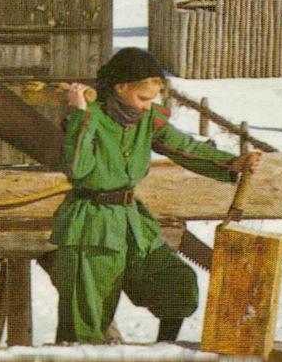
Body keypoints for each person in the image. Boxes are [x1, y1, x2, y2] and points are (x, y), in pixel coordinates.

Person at [50, 47, 262, 345]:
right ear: (121, 87)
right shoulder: (88, 117)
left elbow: (185, 147)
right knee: (86, 322)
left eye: (152, 99)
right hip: (91, 227)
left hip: (132, 223)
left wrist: (231, 163)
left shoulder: (146, 121)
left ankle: (164, 351)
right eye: (143, 98)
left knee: (177, 284)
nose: (148, 106)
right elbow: (77, 169)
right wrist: (80, 115)